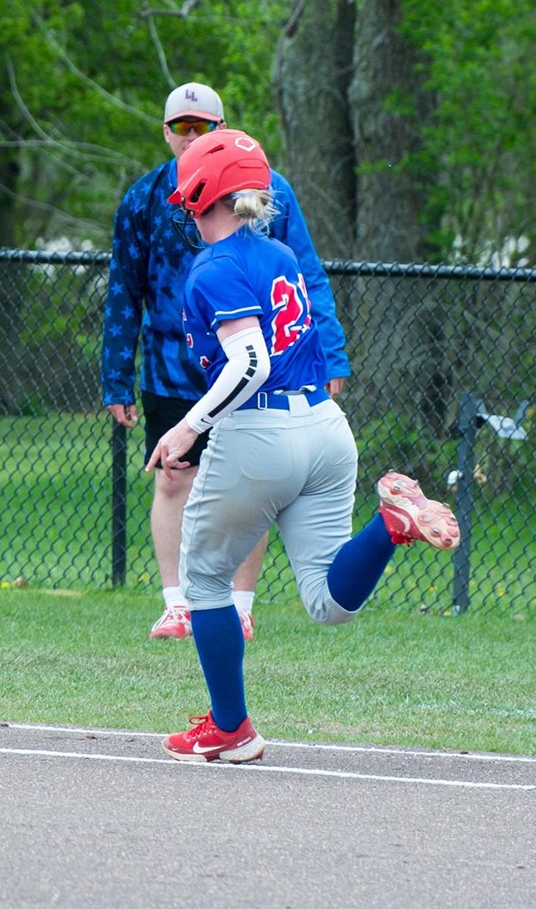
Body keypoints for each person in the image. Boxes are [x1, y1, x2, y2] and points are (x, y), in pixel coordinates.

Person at [145, 129, 459, 763]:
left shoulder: (214, 266)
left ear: (204, 190)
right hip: (325, 427)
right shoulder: (277, 254)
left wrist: (187, 426)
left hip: (261, 435)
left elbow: (251, 361)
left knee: (203, 578)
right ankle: (388, 527)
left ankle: (230, 728)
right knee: (325, 600)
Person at [102, 82, 351, 641]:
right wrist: (116, 373)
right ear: (166, 133)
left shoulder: (267, 191)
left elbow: (304, 277)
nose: (191, 136)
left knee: (251, 486)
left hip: (253, 371)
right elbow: (124, 290)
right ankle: (178, 605)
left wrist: (329, 354)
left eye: (202, 127)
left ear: (220, 129)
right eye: (181, 127)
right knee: (172, 479)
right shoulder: (146, 197)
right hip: (174, 364)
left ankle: (237, 605)